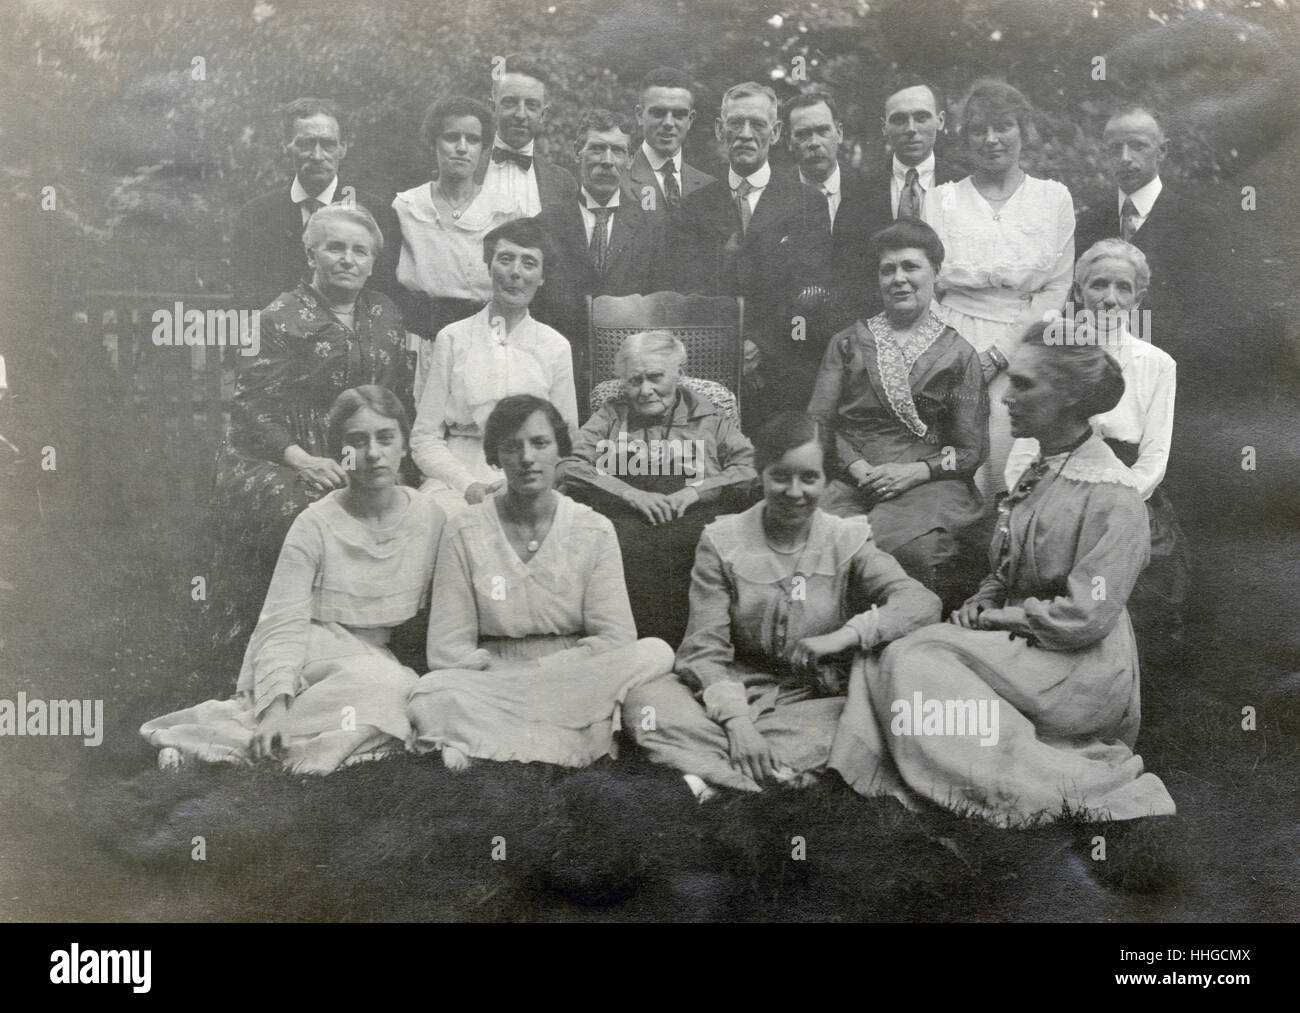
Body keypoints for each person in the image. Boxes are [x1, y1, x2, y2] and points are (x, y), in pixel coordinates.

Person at [828, 321, 1177, 826]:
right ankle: (902, 774)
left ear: (1069, 398)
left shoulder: (1113, 495)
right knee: (887, 650)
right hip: (1026, 642)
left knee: (913, 658)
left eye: (1024, 385)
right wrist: (983, 599)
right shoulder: (1044, 468)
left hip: (1079, 667)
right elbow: (1007, 564)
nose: (1006, 397)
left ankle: (1023, 786)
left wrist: (996, 621)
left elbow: (1086, 617)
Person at [622, 414, 940, 799]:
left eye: (809, 478)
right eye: (780, 476)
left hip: (811, 701)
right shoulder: (722, 541)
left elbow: (921, 602)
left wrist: (846, 635)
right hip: (731, 690)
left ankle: (712, 780)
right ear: (760, 476)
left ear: (826, 481)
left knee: (859, 722)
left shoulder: (846, 538)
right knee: (648, 704)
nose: (794, 491)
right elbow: (703, 650)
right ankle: (765, 778)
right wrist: (737, 722)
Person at [143, 386, 443, 775]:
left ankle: (224, 751)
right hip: (310, 649)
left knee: (403, 694)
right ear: (340, 453)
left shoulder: (429, 518)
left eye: (385, 438)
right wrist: (276, 708)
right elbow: (282, 622)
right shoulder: (315, 524)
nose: (372, 453)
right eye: (356, 441)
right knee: (391, 693)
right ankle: (263, 743)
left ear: (404, 444)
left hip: (371, 656)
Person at [407, 395, 674, 769]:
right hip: (495, 676)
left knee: (655, 652)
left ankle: (487, 744)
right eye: (512, 447)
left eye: (540, 443)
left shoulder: (593, 528)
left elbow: (615, 637)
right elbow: (448, 648)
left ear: (559, 451)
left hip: (574, 673)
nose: (527, 458)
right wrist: (505, 676)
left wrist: (545, 673)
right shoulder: (463, 530)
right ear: (495, 457)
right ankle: (567, 741)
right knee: (431, 693)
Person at [210, 205, 412, 656]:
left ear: (372, 262)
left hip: (363, 446)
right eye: (335, 247)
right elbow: (251, 412)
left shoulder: (384, 313)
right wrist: (303, 460)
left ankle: (376, 633)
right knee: (309, 510)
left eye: (360, 251)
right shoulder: (277, 318)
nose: (347, 259)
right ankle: (290, 641)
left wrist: (392, 455)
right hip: (282, 452)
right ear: (311, 254)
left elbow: (398, 398)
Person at [1004, 239, 1186, 643]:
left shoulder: (1157, 363)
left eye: (1123, 288)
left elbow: (1154, 459)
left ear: (1138, 298)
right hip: (1050, 488)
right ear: (1079, 290)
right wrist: (1032, 503)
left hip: (1124, 496)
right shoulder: (1052, 352)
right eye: (1098, 285)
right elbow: (1022, 452)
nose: (1109, 299)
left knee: (1133, 590)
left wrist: (1107, 507)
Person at [808, 220, 988, 602]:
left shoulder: (959, 355)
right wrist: (857, 467)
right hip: (853, 478)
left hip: (929, 485)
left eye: (911, 266)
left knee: (911, 551)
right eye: (887, 269)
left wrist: (915, 472)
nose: (898, 279)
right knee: (815, 539)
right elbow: (819, 424)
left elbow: (970, 451)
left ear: (936, 273)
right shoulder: (847, 343)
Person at [926, 79, 1075, 501]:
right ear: (966, 138)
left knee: (1012, 453)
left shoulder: (1053, 199)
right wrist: (950, 355)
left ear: (1023, 130)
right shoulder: (942, 200)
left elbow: (1057, 287)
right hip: (950, 342)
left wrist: (1000, 355)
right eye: (979, 130)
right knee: (950, 451)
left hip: (1023, 342)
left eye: (1003, 126)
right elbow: (928, 288)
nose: (991, 139)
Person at [558, 330, 756, 647]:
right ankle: (627, 647)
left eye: (655, 377)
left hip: (693, 517)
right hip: (625, 519)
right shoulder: (610, 414)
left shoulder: (709, 416)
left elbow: (747, 468)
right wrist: (629, 493)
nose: (645, 390)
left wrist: (696, 491)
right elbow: (570, 464)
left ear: (680, 373)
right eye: (634, 381)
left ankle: (693, 649)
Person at [674, 81, 832, 432]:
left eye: (758, 124)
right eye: (735, 123)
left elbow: (811, 291)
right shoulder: (694, 207)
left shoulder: (808, 203)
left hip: (783, 370)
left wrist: (760, 346)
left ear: (775, 133)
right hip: (710, 368)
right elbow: (688, 289)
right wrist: (730, 348)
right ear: (720, 129)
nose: (745, 134)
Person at [409, 218, 578, 518]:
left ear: (541, 277)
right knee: (441, 518)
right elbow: (424, 439)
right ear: (489, 267)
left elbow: (566, 443)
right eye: (505, 259)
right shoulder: (453, 338)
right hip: (458, 475)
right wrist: (469, 485)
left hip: (530, 473)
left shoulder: (555, 346)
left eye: (529, 263)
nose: (515, 272)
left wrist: (528, 483)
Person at [532, 108, 668, 390]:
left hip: (630, 379)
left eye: (617, 151)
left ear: (630, 160)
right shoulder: (545, 225)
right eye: (596, 149)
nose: (607, 161)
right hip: (556, 374)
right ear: (576, 151)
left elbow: (660, 312)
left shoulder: (653, 227)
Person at [391, 96, 510, 402]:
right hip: (417, 342)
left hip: (482, 341)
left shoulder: (503, 212)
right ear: (434, 143)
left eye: (472, 140)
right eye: (451, 137)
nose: (461, 147)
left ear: (484, 150)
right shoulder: (407, 207)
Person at [232, 98, 400, 311]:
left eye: (328, 144)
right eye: (307, 144)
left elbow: (382, 295)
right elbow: (247, 297)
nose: (318, 156)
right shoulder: (256, 215)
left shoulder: (376, 213)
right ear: (287, 146)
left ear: (343, 148)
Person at [1073, 106, 1203, 358]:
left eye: (1137, 146)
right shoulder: (1088, 223)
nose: (1124, 157)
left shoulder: (1198, 222)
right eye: (1114, 149)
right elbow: (1075, 303)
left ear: (1162, 150)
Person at [832, 80, 963, 326]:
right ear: (884, 127)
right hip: (878, 330)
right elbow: (845, 279)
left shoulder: (965, 186)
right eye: (899, 120)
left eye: (922, 117)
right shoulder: (858, 194)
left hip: (953, 327)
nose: (911, 129)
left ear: (941, 121)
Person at [478, 57, 578, 221]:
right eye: (510, 103)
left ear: (543, 114)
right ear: (492, 107)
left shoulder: (563, 183)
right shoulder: (465, 169)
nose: (520, 115)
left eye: (531, 105)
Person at [628, 67, 716, 216]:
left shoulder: (709, 186)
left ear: (690, 120)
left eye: (679, 114)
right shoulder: (617, 180)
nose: (668, 123)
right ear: (639, 115)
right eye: (658, 113)